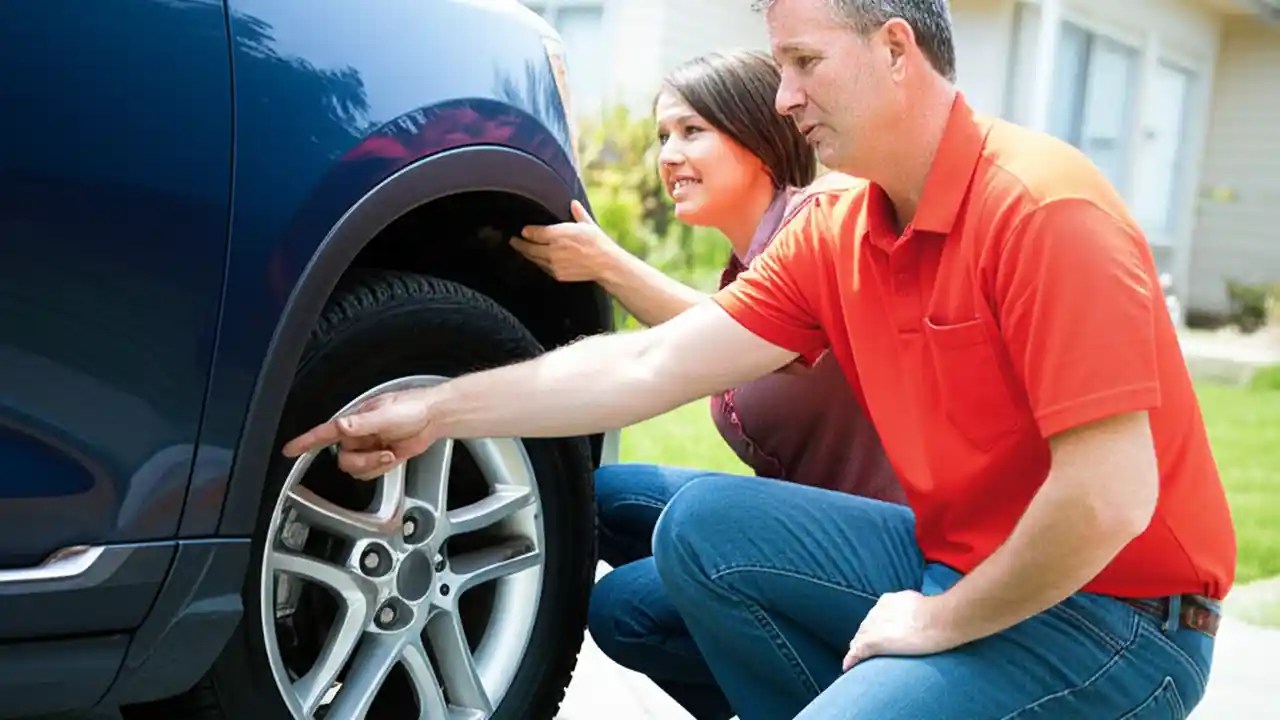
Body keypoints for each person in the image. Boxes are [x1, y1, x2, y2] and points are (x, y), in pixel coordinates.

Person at [281, 0, 1237, 717]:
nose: (783, 98)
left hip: (1117, 617)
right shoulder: (842, 231)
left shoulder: (1042, 211)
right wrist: (437, 409)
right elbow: (649, 367)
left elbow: (1109, 498)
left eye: (804, 62)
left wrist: (939, 625)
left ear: (895, 49)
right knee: (704, 522)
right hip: (956, 561)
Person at [510, 49, 904, 719]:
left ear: (758, 139)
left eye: (692, 131)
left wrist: (610, 264)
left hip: (889, 542)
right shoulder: (740, 271)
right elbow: (680, 345)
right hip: (808, 529)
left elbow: (761, 341)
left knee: (629, 602)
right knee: (600, 498)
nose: (668, 154)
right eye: (663, 136)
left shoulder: (823, 220)